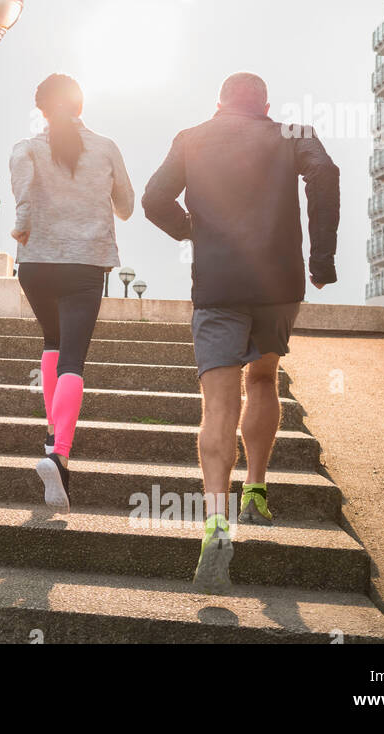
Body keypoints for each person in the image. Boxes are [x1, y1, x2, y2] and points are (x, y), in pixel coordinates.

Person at [141, 72, 340, 594]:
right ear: (266, 106)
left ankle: (215, 524)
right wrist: (322, 259)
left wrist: (194, 231)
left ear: (220, 104)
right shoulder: (293, 133)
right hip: (278, 282)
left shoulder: (192, 137)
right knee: (264, 381)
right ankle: (255, 490)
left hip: (219, 282)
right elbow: (326, 173)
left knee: (218, 405)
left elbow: (153, 199)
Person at [10, 73, 134, 512]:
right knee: (73, 358)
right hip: (84, 265)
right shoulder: (105, 148)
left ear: (41, 109)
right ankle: (58, 454)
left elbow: (22, 200)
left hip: (36, 265)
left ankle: (51, 431)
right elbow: (127, 206)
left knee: (52, 342)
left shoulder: (25, 149)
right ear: (80, 105)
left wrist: (28, 223)